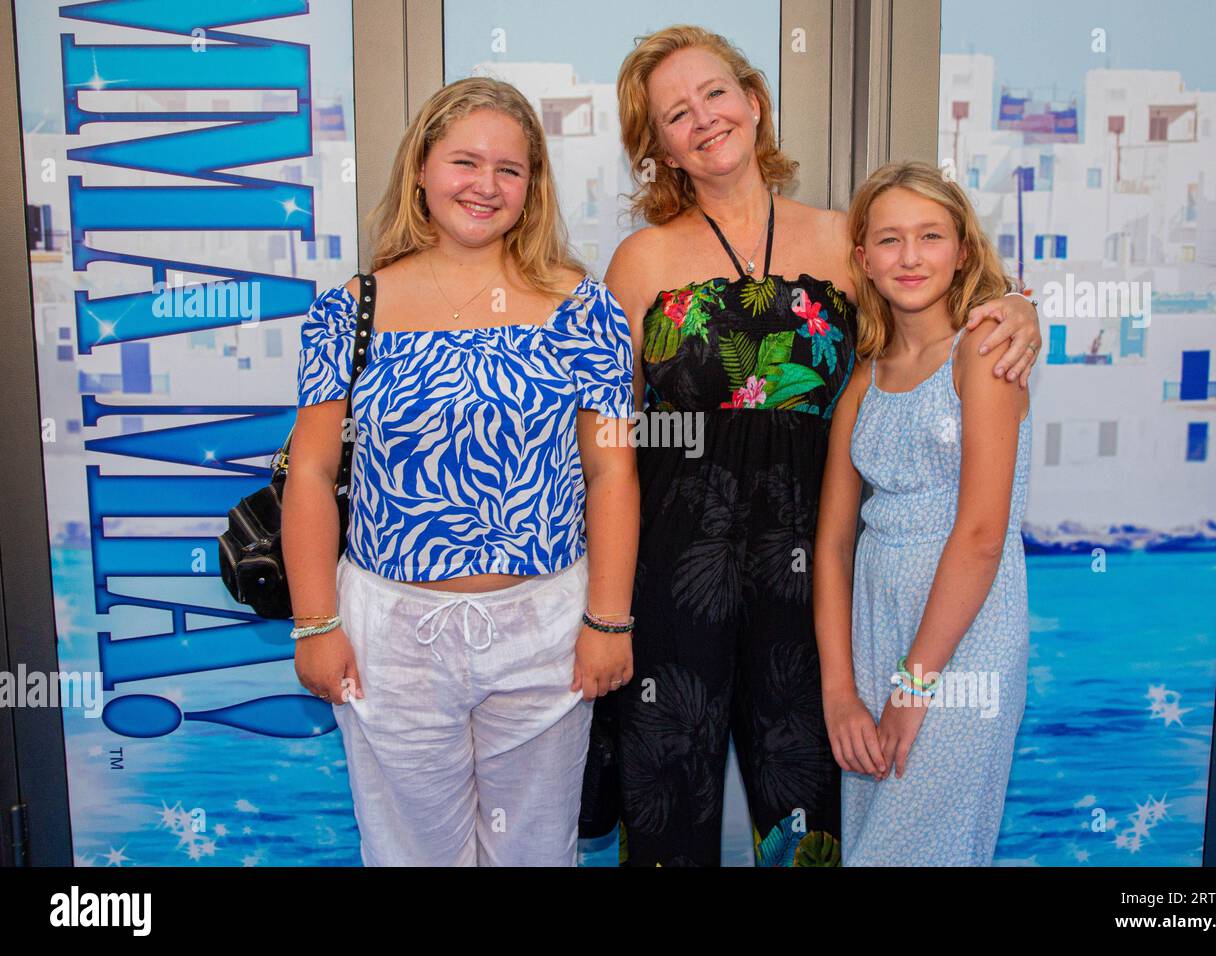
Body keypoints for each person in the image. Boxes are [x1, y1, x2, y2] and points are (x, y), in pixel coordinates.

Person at [602, 25, 1042, 867]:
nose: (704, 119)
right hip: (671, 586)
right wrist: (609, 608)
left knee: (813, 834)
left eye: (716, 95)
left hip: (815, 599)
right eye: (675, 114)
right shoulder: (639, 261)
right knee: (665, 827)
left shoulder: (848, 243)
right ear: (657, 147)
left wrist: (1022, 308)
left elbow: (945, 294)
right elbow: (612, 443)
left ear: (755, 102)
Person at [282, 77, 638, 866]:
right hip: (389, 637)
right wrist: (315, 624)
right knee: (410, 853)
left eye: (509, 169)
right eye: (465, 162)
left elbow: (612, 473)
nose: (486, 186)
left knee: (537, 852)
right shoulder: (351, 310)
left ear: (532, 187)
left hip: (544, 627)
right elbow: (309, 474)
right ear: (420, 168)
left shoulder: (585, 309)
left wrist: (608, 621)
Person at [814, 161, 1032, 866]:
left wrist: (913, 687)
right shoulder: (862, 379)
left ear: (963, 250)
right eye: (889, 239)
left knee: (918, 848)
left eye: (931, 236)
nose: (910, 257)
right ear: (863, 259)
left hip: (963, 642)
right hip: (876, 629)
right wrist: (841, 692)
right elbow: (833, 545)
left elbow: (979, 537)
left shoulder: (984, 350)